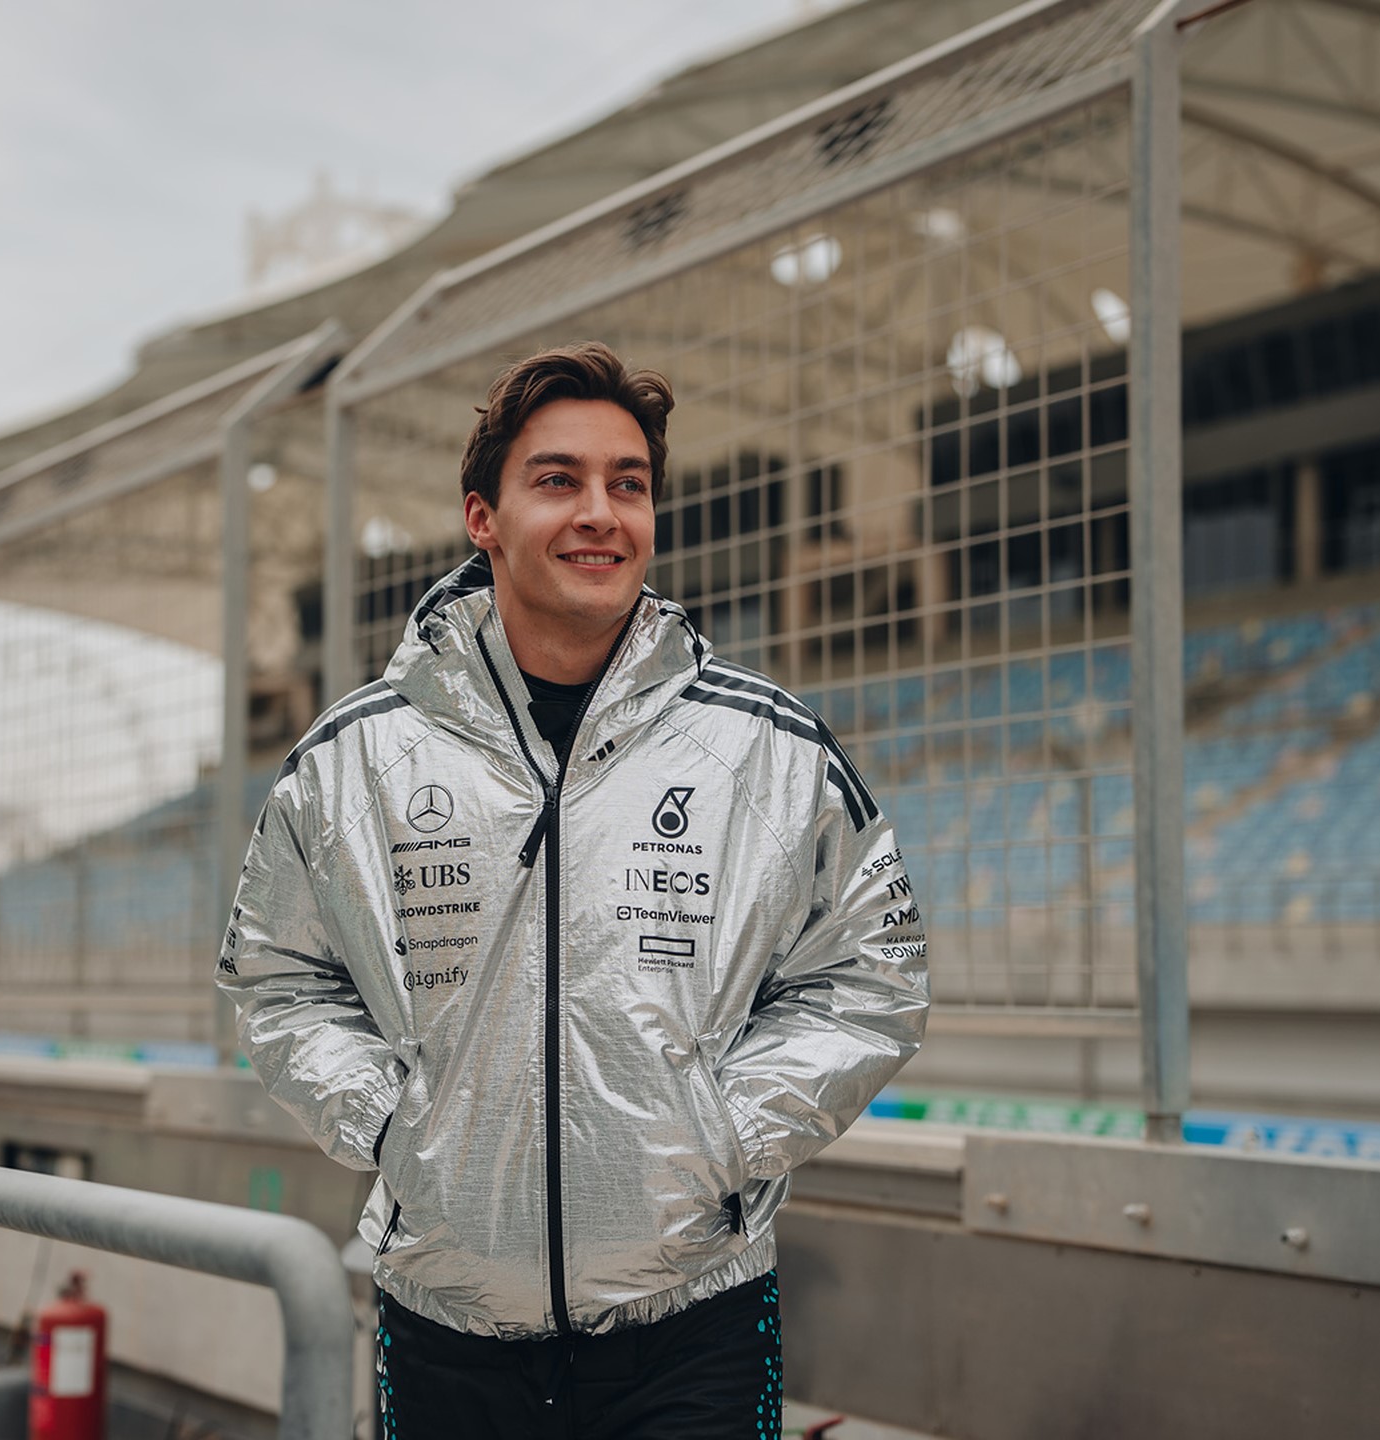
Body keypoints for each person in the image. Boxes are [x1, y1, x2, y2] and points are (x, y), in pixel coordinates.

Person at [217, 341, 927, 1438]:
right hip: (446, 1318)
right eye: (558, 480)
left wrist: (721, 1139)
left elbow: (872, 971)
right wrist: (397, 1127)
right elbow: (276, 976)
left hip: (695, 1324)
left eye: (627, 485)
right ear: (481, 519)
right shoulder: (354, 762)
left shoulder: (763, 748)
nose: (601, 511)